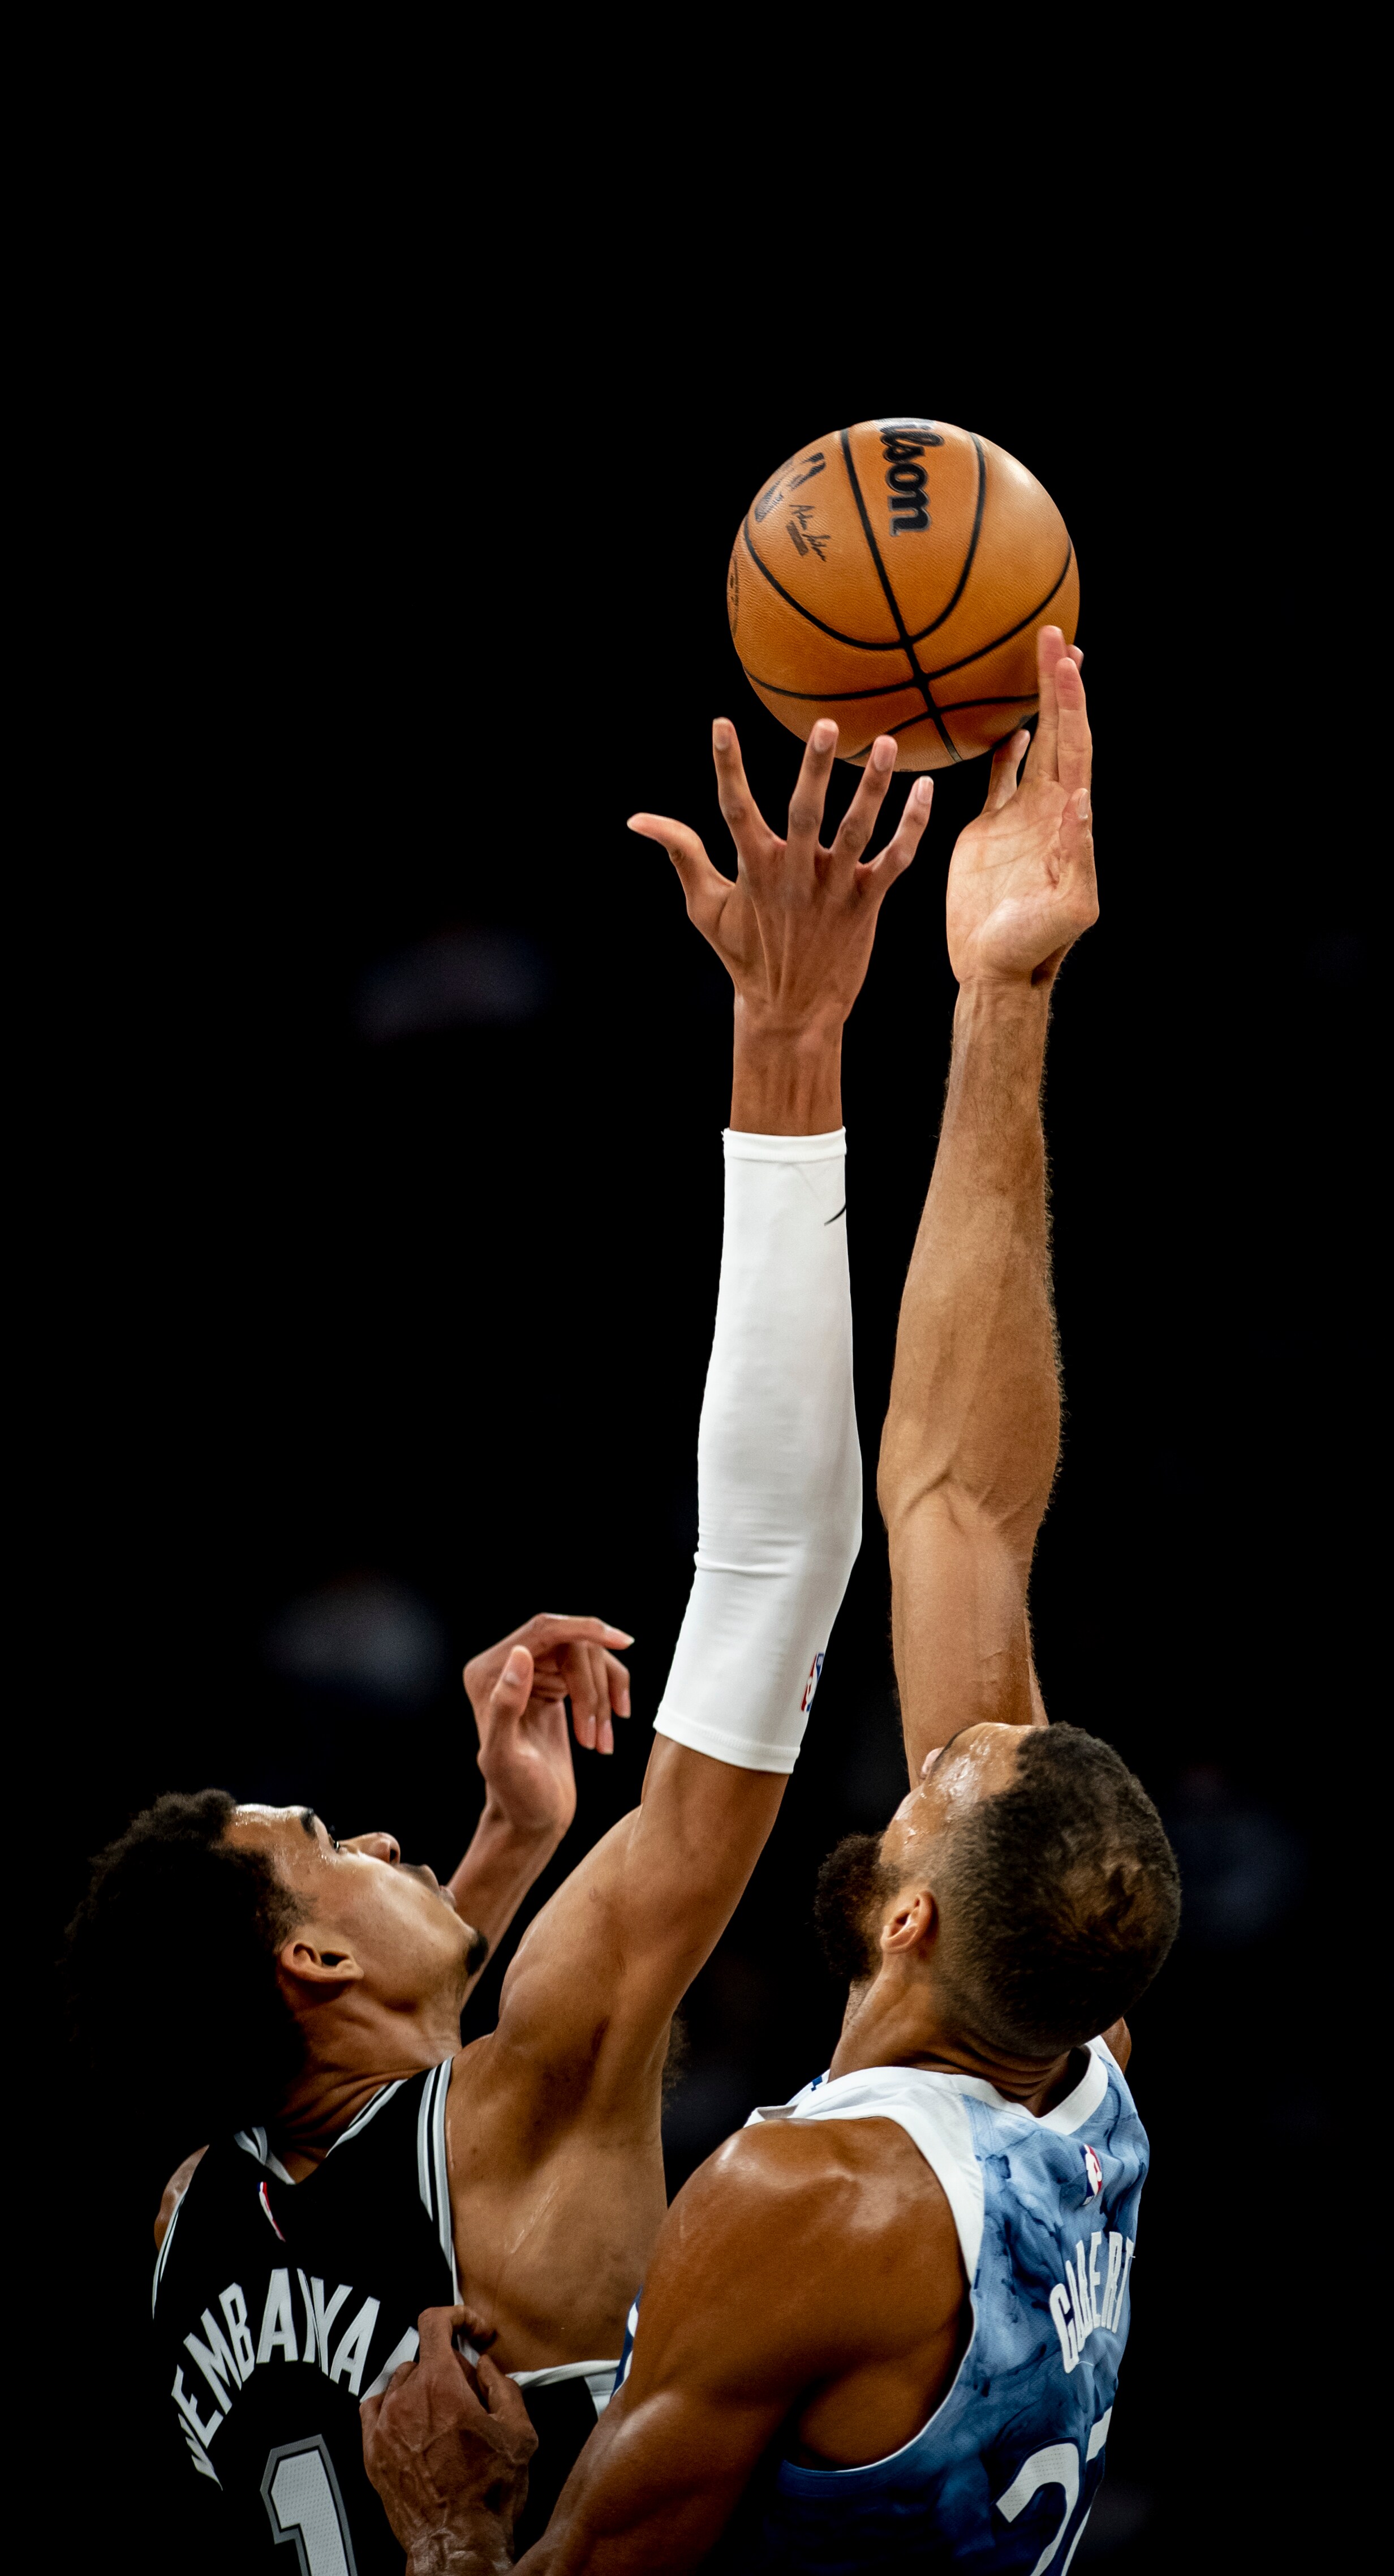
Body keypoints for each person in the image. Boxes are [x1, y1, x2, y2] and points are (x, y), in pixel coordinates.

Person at [62, 714, 932, 2570]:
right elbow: (779, 1561)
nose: (375, 1839)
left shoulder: (188, 2224)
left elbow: (369, 2125)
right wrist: (788, 1040)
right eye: (327, 1849)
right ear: (301, 1953)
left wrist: (504, 1861)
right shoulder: (522, 2105)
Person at [360, 629, 1184, 2573]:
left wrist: (448, 2523)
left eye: (943, 1776)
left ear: (907, 1913)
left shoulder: (813, 2199)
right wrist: (1003, 994)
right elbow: (962, 1502)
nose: (938, 1739)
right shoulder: (1068, 2078)